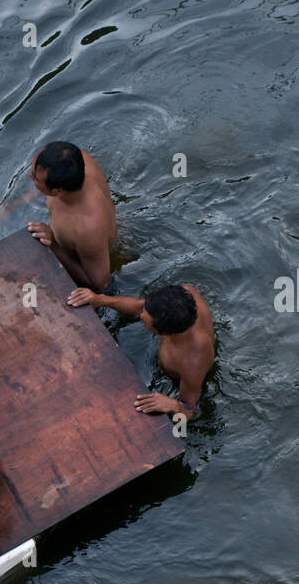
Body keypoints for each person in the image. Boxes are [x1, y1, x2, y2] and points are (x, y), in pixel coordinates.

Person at [71, 284, 215, 420]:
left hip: (177, 378)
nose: (141, 316)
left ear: (163, 333)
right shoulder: (183, 297)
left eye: (145, 321)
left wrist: (175, 406)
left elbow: (192, 413)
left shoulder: (192, 362)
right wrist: (100, 299)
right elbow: (140, 308)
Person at [25, 141, 117, 295]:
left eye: (35, 178)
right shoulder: (74, 161)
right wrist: (10, 207)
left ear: (56, 191)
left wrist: (53, 245)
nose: (29, 175)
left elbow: (99, 283)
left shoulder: (87, 227)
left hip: (91, 256)